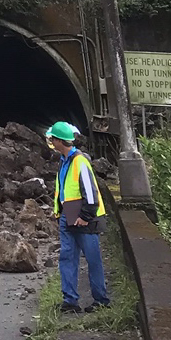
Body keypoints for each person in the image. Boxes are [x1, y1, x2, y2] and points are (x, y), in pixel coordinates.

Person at [46, 121, 110, 313]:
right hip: (68, 217)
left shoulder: (80, 161)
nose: (50, 142)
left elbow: (90, 193)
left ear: (59, 141)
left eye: (52, 139)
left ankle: (101, 300)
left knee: (93, 259)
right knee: (67, 258)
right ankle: (70, 301)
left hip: (85, 220)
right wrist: (59, 214)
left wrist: (85, 216)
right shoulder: (64, 161)